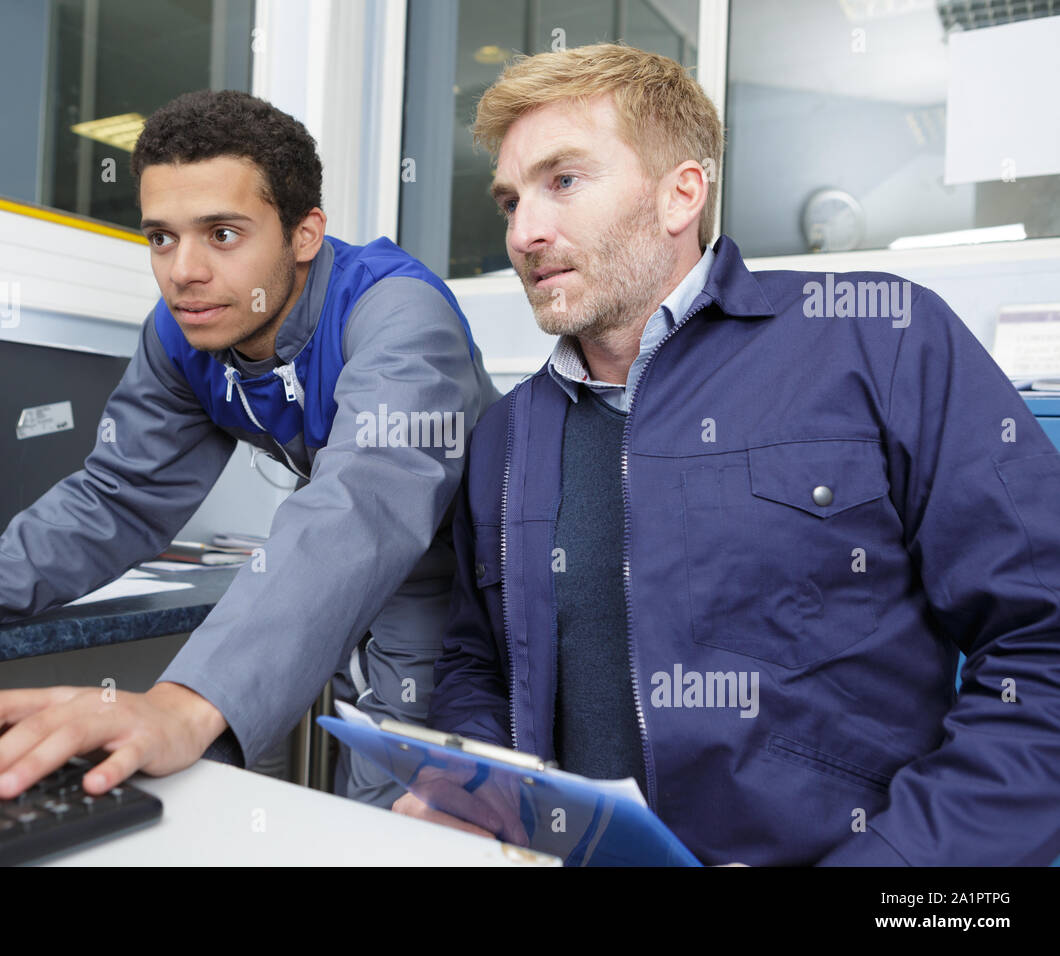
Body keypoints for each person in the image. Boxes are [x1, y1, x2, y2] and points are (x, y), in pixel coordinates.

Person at [394, 43, 1060, 865]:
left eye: (563, 181)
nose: (525, 231)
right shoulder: (506, 434)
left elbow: (1043, 648)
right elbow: (478, 665)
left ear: (682, 193)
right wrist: (476, 793)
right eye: (510, 199)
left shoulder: (881, 340)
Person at [0, 89, 499, 808]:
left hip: (461, 580)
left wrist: (185, 704)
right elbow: (120, 493)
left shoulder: (399, 314)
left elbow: (361, 507)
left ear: (305, 233)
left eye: (222, 234)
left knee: (401, 813)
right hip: (348, 562)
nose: (182, 271)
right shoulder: (183, 331)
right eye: (161, 237)